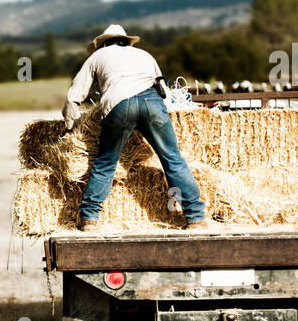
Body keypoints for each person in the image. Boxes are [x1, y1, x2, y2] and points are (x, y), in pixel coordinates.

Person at [63, 24, 208, 232]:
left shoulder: (98, 56)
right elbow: (163, 91)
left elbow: (75, 94)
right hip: (152, 101)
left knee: (105, 163)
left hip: (119, 103)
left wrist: (69, 125)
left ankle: (89, 219)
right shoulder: (145, 55)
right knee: (172, 158)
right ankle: (195, 217)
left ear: (103, 43)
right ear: (125, 41)